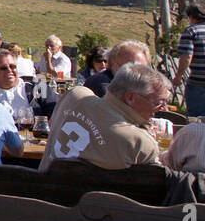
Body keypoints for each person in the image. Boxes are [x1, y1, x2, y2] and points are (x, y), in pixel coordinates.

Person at [38, 63, 169, 173]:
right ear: (130, 97)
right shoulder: (140, 142)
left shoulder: (75, 95)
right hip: (96, 203)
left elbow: (51, 123)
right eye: (159, 102)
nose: (162, 108)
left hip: (41, 196)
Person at [0, 48, 50, 118]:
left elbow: (53, 118)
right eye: (3, 68)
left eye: (12, 66)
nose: (9, 70)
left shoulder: (36, 90)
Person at [82, 39, 150, 98]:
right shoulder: (102, 84)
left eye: (143, 68)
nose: (138, 73)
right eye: (131, 67)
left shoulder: (145, 87)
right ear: (112, 63)